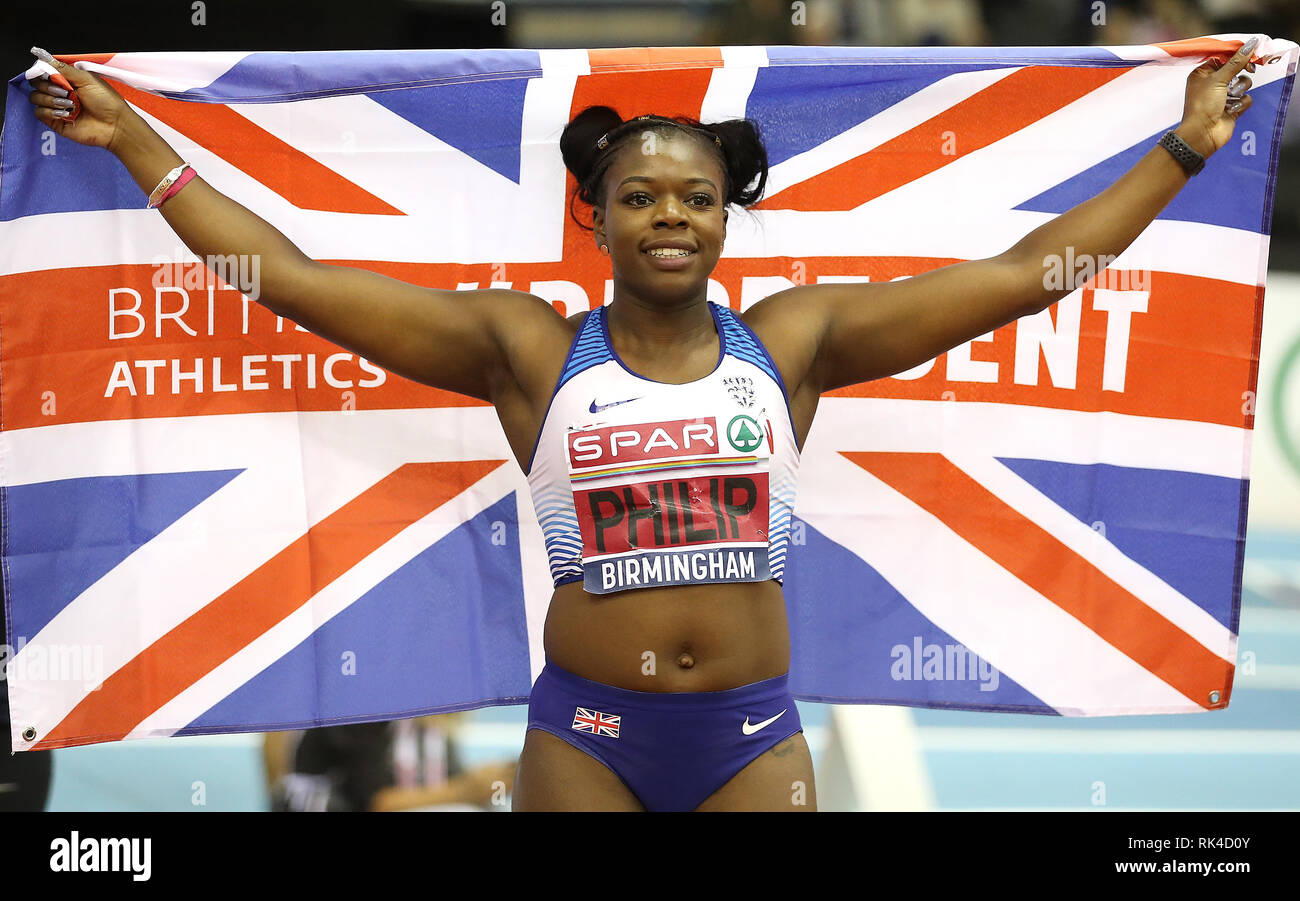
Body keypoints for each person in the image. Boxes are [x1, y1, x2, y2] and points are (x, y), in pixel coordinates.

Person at [27, 38, 1257, 810]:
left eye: (696, 198)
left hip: (750, 736)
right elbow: (292, 281)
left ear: (726, 219)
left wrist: (1183, 150)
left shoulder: (794, 340)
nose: (670, 215)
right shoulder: (524, 348)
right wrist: (138, 138)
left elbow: (1029, 268)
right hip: (586, 739)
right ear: (599, 217)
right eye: (640, 196)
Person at [262, 714, 516, 812]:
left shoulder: (434, 734)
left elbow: (449, 787)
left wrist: (484, 786)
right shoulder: (373, 718)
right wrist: (466, 790)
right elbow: (376, 801)